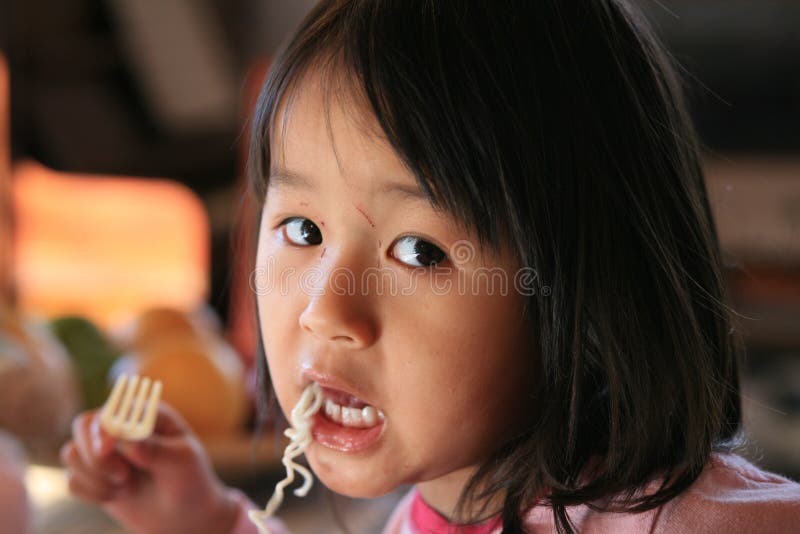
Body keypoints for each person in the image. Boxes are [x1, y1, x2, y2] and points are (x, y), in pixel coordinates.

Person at [61, 1, 800, 532]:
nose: (324, 310)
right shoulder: (433, 509)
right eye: (302, 227)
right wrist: (210, 521)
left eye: (418, 250)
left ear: (582, 285)